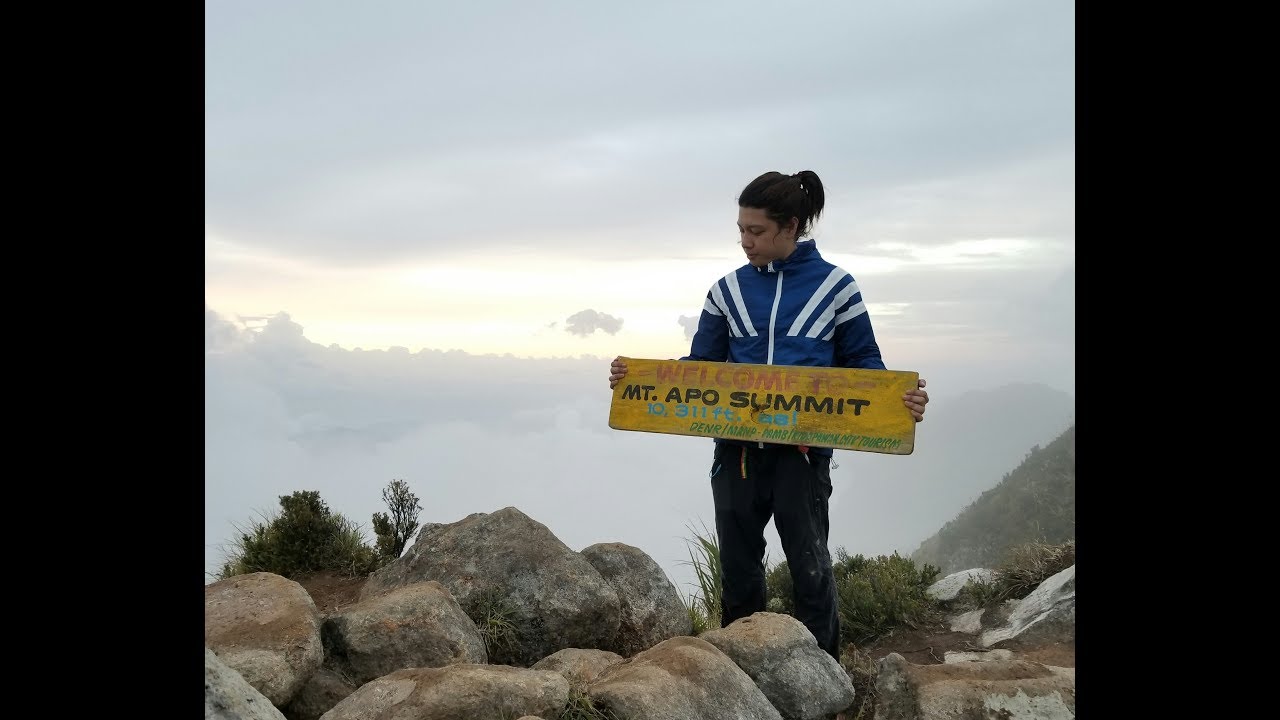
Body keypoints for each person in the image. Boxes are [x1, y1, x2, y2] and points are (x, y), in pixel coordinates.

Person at [607, 170, 929, 662]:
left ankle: (825, 685)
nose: (744, 241)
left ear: (790, 227)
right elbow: (704, 367)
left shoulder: (837, 288)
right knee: (738, 572)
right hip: (735, 453)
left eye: (755, 231)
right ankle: (738, 683)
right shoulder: (726, 291)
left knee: (810, 570)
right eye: (740, 229)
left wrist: (900, 402)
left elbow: (866, 367)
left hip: (801, 457)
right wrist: (640, 380)